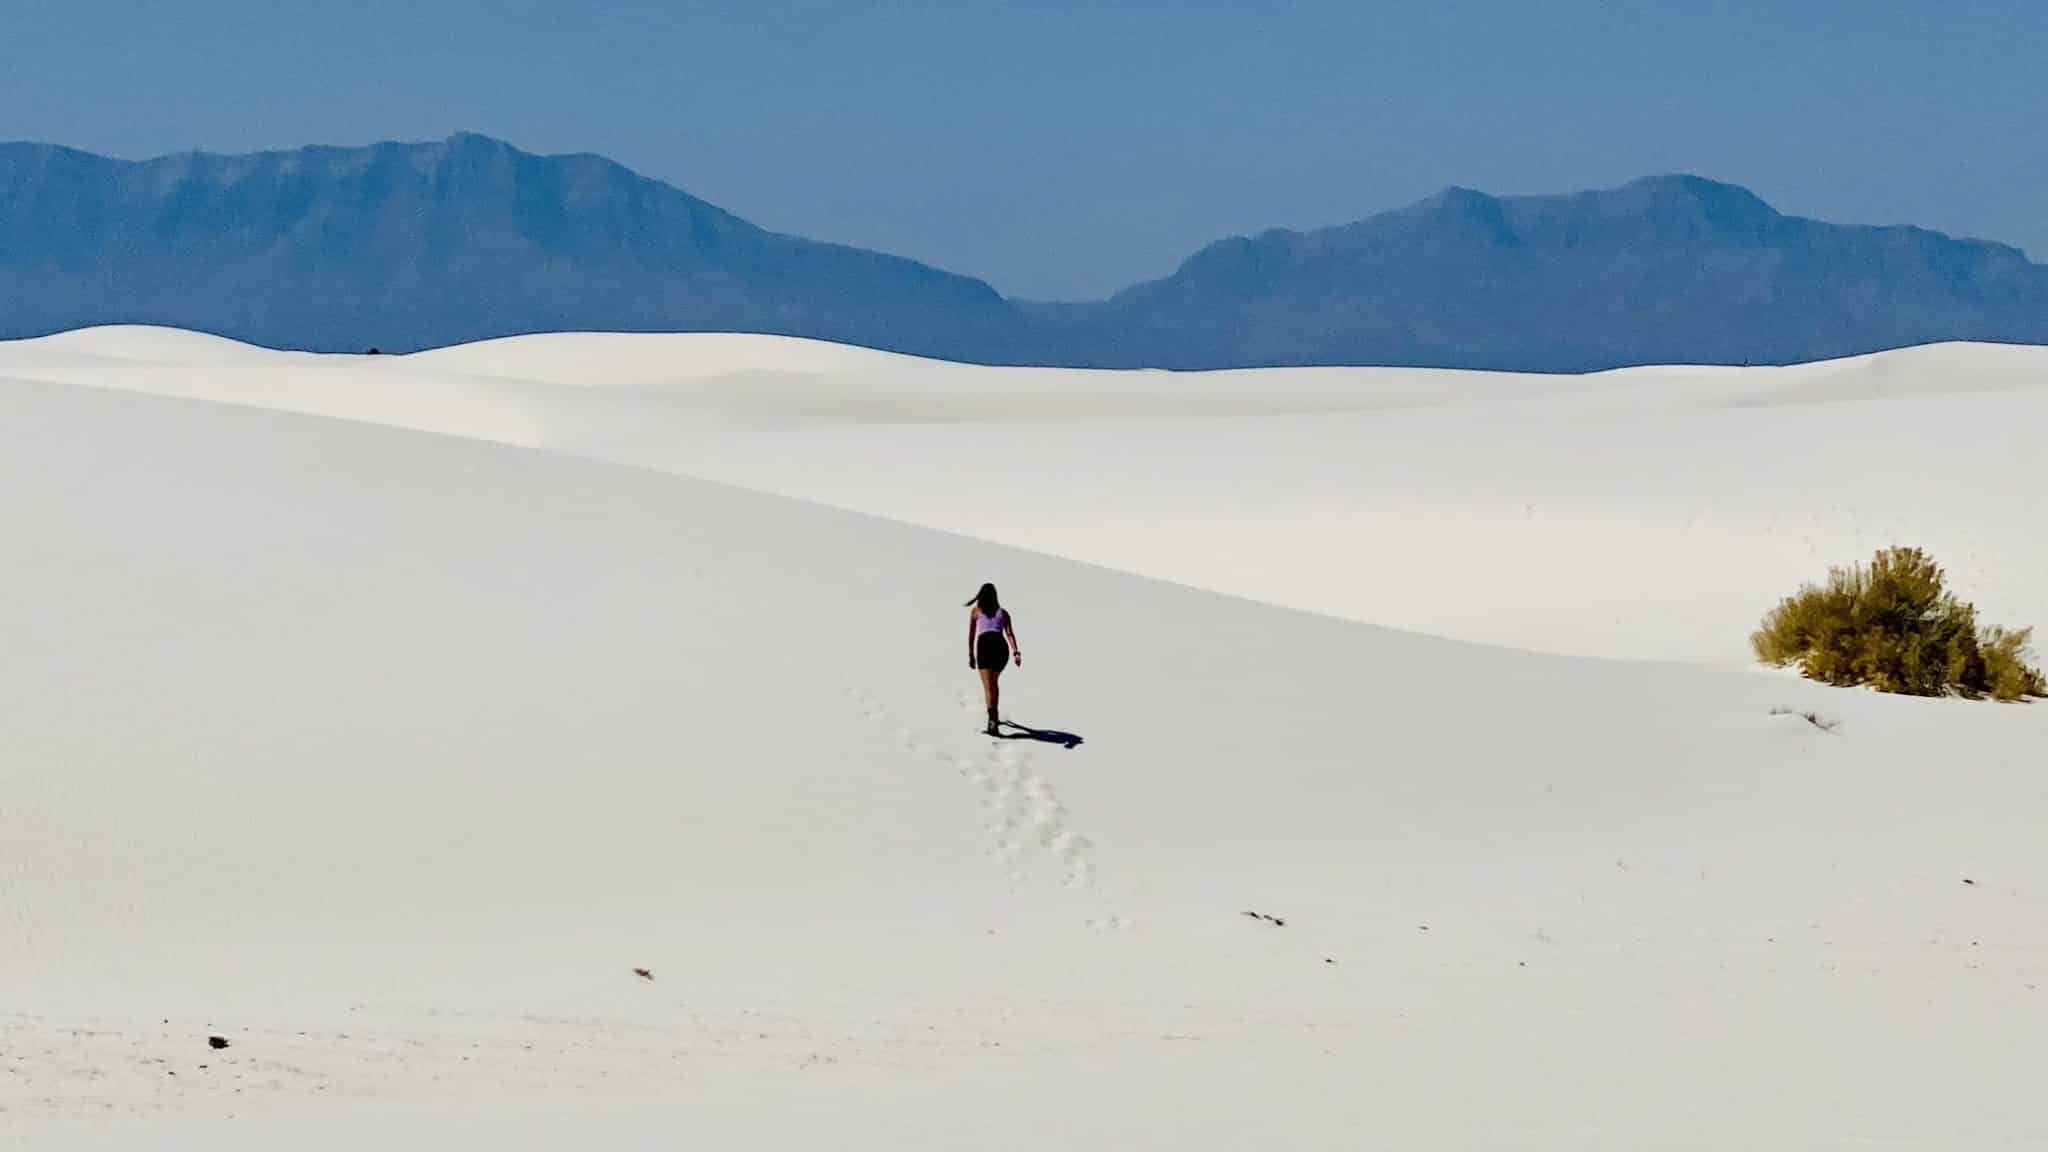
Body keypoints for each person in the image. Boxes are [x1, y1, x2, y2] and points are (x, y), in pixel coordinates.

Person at [965, 582, 1021, 736]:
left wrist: (971, 654)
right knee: (994, 684)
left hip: (984, 646)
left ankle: (992, 722)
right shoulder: (1003, 613)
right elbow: (1009, 634)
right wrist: (1016, 652)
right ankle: (994, 718)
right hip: (1000, 647)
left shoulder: (976, 611)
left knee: (988, 687)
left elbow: (971, 635)